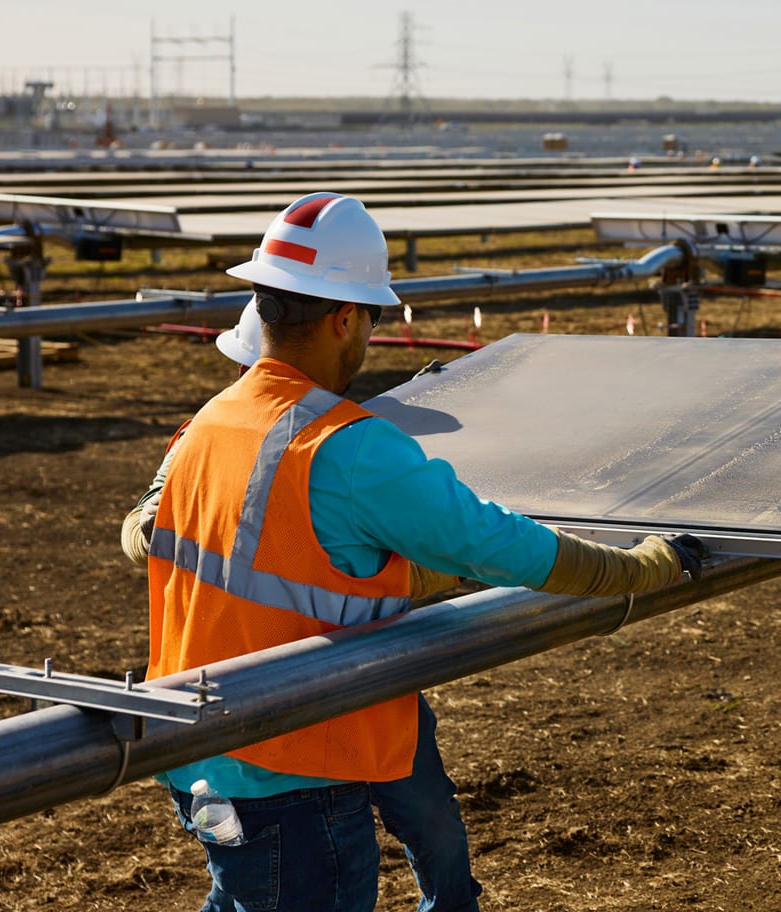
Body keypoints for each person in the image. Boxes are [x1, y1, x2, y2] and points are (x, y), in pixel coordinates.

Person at [144, 191, 707, 912]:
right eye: (372, 319)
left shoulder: (211, 423)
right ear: (345, 316)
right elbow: (514, 551)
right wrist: (646, 565)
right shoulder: (348, 448)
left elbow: (260, 560)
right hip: (297, 772)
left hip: (204, 754)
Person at [122, 297, 479, 912]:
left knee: (428, 820)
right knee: (270, 866)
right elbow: (143, 525)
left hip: (372, 673)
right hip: (273, 692)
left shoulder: (339, 441)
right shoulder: (205, 437)